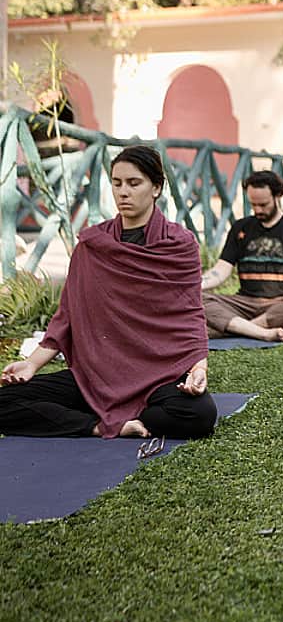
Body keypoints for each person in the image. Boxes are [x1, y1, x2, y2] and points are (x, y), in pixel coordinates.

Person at [0, 145, 216, 439]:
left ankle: (108, 412)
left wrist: (197, 368)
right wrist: (32, 363)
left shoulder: (179, 245)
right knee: (4, 402)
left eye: (134, 183)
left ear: (156, 188)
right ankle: (99, 423)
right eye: (117, 183)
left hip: (157, 374)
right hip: (97, 374)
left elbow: (190, 312)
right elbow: (67, 318)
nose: (123, 192)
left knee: (199, 415)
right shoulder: (92, 245)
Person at [201, 170, 283, 343]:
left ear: (278, 196)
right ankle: (259, 331)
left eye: (263, 204)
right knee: (196, 297)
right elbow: (221, 270)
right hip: (243, 303)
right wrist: (197, 284)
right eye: (253, 204)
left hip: (281, 303)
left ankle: (236, 328)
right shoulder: (241, 227)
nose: (258, 210)